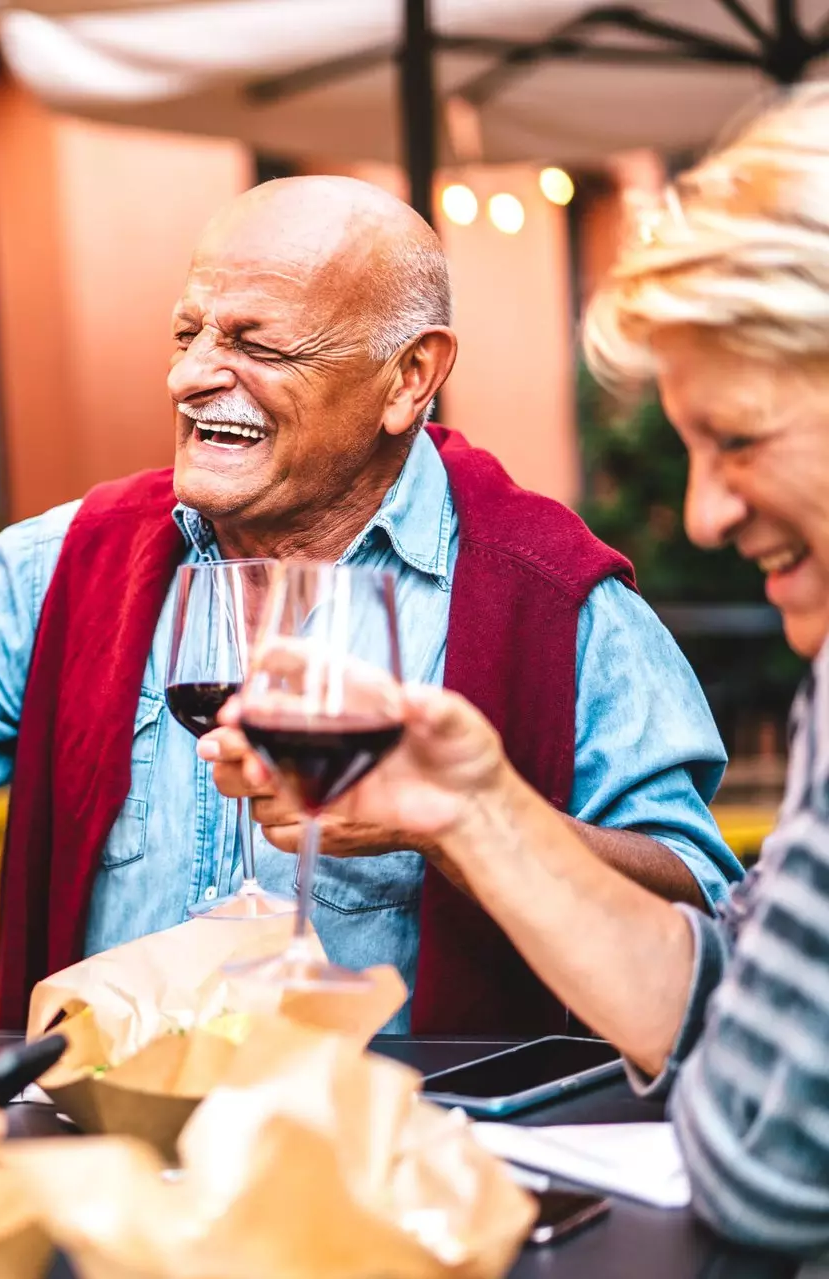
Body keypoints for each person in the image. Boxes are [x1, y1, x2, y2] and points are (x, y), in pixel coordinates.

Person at [0, 175, 741, 1034]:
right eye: (188, 333)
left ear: (409, 377)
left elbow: (697, 907)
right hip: (113, 1166)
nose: (190, 377)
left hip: (409, 1180)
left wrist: (479, 824)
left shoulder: (550, 593)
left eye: (255, 343)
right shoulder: (68, 559)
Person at [260, 88, 829, 1255]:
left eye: (738, 438)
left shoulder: (562, 587)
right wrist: (470, 810)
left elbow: (768, 1162)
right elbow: (732, 995)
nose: (705, 513)